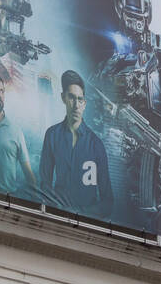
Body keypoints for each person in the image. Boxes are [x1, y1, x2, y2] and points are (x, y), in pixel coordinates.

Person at [39, 70, 112, 217]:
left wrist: (82, 213)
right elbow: (44, 186)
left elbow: (108, 202)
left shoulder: (96, 145)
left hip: (87, 226)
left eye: (80, 99)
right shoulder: (52, 135)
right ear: (63, 98)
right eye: (71, 98)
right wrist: (55, 210)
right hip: (57, 221)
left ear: (84, 104)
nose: (76, 105)